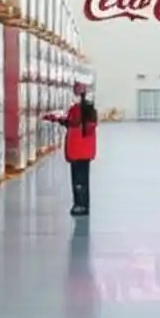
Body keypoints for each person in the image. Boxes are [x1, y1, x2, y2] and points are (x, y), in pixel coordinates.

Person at [43, 80, 98, 216]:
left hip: (78, 150)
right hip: (86, 151)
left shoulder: (78, 110)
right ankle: (84, 204)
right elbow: (74, 122)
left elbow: (71, 121)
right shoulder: (90, 110)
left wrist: (56, 118)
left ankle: (80, 206)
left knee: (78, 180)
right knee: (84, 179)